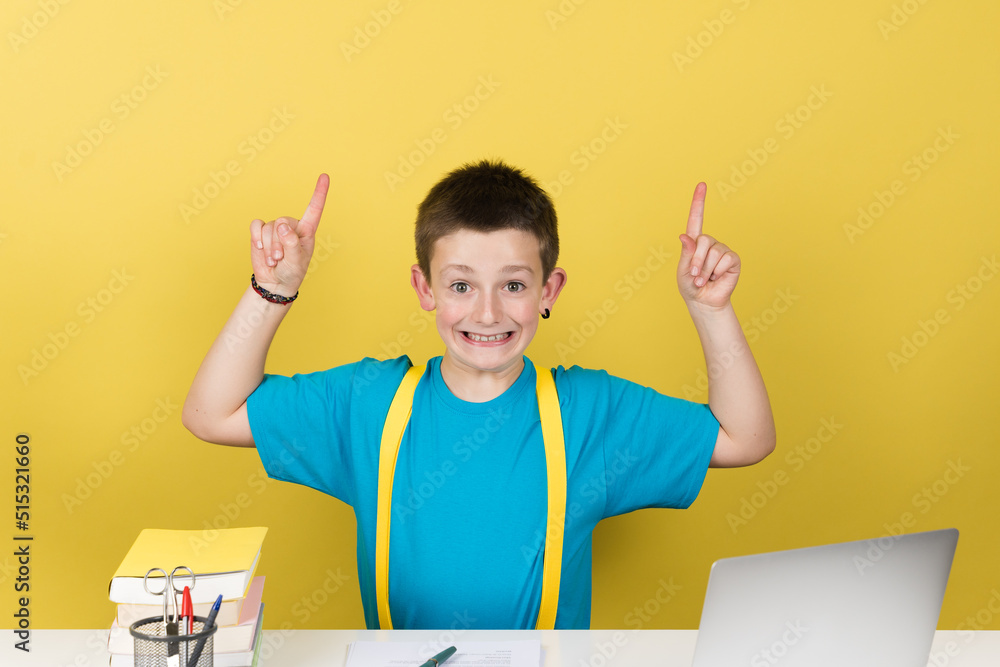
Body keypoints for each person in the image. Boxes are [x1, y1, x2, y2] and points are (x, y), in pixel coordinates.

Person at [182, 159, 775, 630]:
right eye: (461, 284)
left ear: (550, 289)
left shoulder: (591, 414)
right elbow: (211, 414)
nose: (488, 312)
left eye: (514, 284)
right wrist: (271, 290)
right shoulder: (368, 403)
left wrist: (710, 310)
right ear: (425, 288)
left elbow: (746, 438)